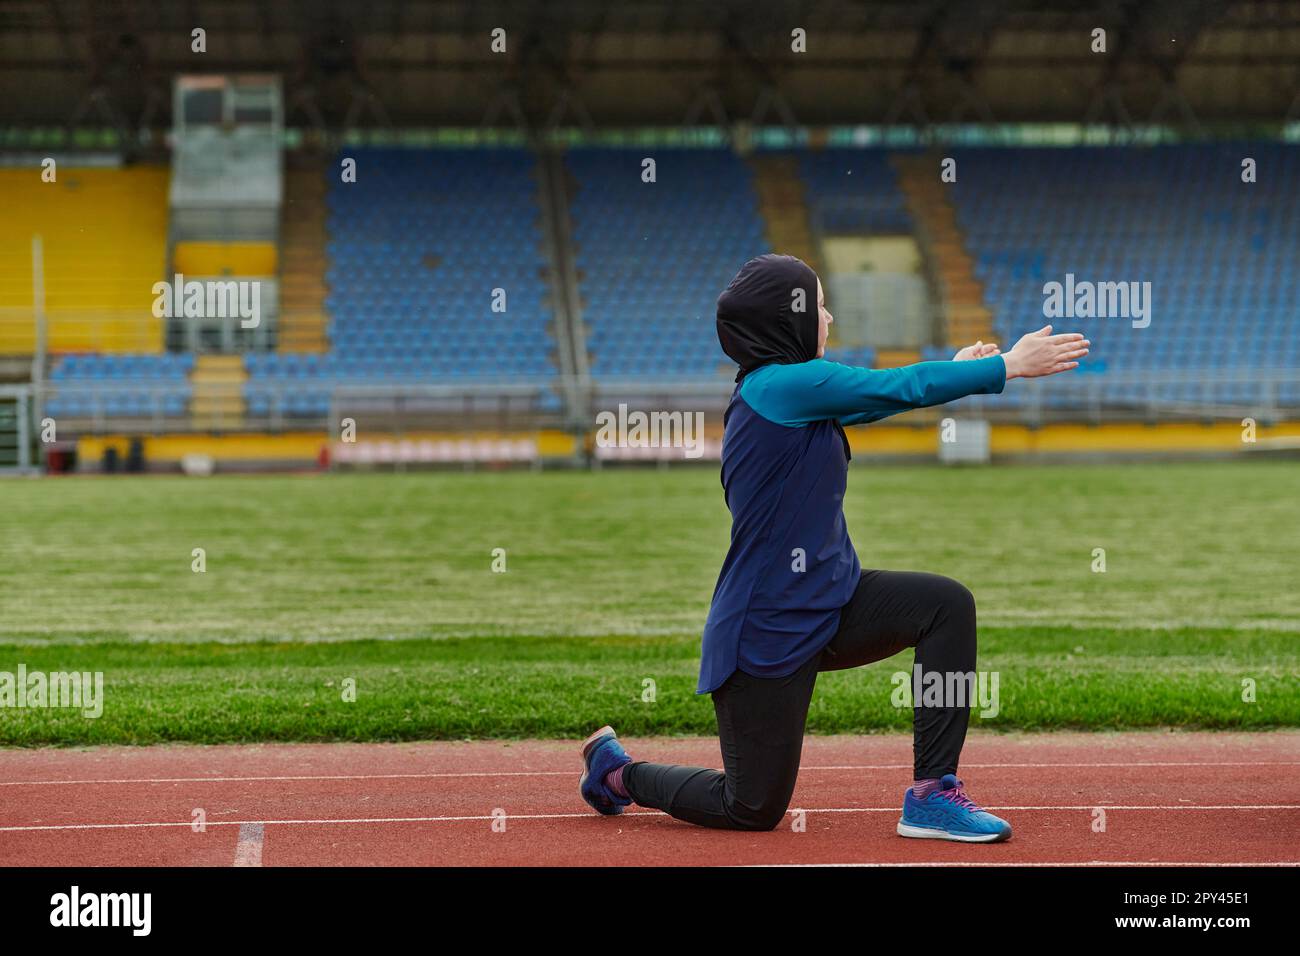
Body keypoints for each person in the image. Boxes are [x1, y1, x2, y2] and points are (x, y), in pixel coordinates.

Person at [579, 253, 1088, 842]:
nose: (827, 317)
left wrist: (958, 371)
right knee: (751, 808)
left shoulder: (793, 391)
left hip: (831, 600)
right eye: (818, 306)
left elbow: (879, 399)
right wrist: (1008, 365)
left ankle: (932, 794)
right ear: (786, 319)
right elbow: (892, 386)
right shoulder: (778, 384)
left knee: (945, 606)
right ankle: (617, 774)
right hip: (767, 629)